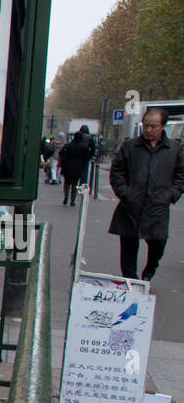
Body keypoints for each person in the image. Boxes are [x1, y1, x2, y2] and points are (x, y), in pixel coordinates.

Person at [109, 107, 184, 282]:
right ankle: (131, 281)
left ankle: (150, 268)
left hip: (158, 205)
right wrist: (124, 193)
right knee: (128, 245)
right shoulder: (130, 146)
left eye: (154, 126)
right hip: (131, 205)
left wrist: (171, 194)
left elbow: (181, 175)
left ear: (163, 126)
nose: (148, 130)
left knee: (158, 244)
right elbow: (117, 171)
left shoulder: (174, 149)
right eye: (146, 125)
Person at [59, 125, 94, 206]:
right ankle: (72, 200)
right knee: (75, 184)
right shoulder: (84, 146)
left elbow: (61, 153)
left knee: (67, 183)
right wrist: (83, 163)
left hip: (67, 166)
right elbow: (87, 157)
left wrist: (64, 161)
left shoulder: (69, 145)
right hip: (78, 166)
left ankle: (66, 196)